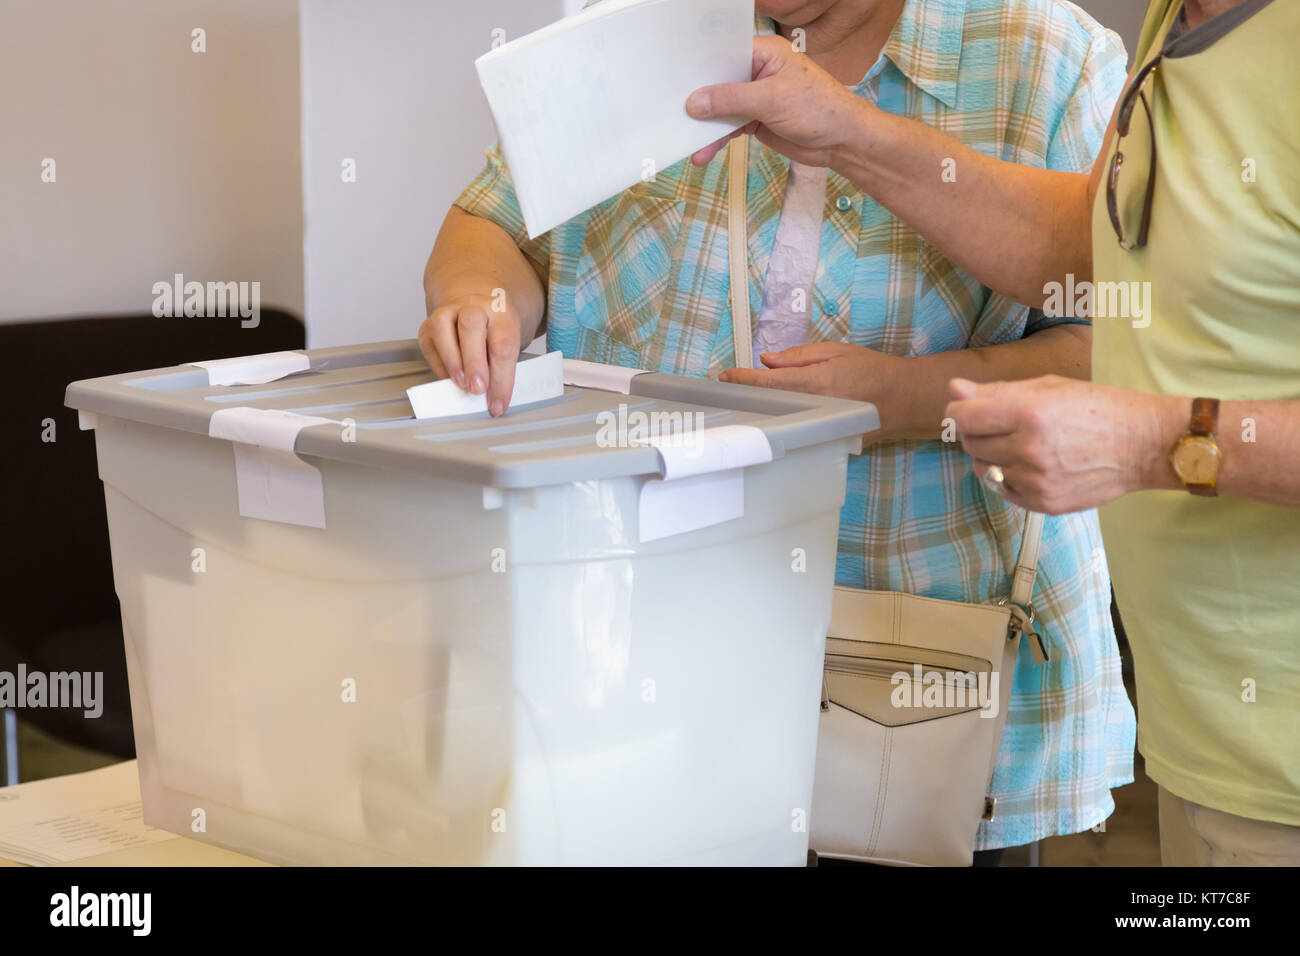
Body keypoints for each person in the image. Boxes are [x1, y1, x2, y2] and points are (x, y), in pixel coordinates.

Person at [421, 0, 1138, 863]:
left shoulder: (1046, 58)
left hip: (920, 670)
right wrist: (481, 298)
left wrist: (909, 399)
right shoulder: (644, 31)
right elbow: (497, 220)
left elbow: (1123, 346)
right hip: (640, 653)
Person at [691, 0, 1299, 864]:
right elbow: (1089, 246)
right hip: (1210, 754)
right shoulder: (1186, 19)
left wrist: (1147, 443)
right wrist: (848, 132)